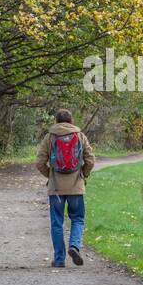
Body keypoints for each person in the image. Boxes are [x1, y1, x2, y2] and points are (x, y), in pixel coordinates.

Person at [35, 109, 96, 267]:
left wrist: (50, 175)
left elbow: (39, 162)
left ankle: (59, 259)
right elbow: (90, 159)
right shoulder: (80, 136)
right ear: (71, 121)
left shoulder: (50, 136)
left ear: (56, 121)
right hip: (76, 186)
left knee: (57, 222)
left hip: (56, 188)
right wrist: (83, 174)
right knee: (77, 219)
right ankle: (74, 246)